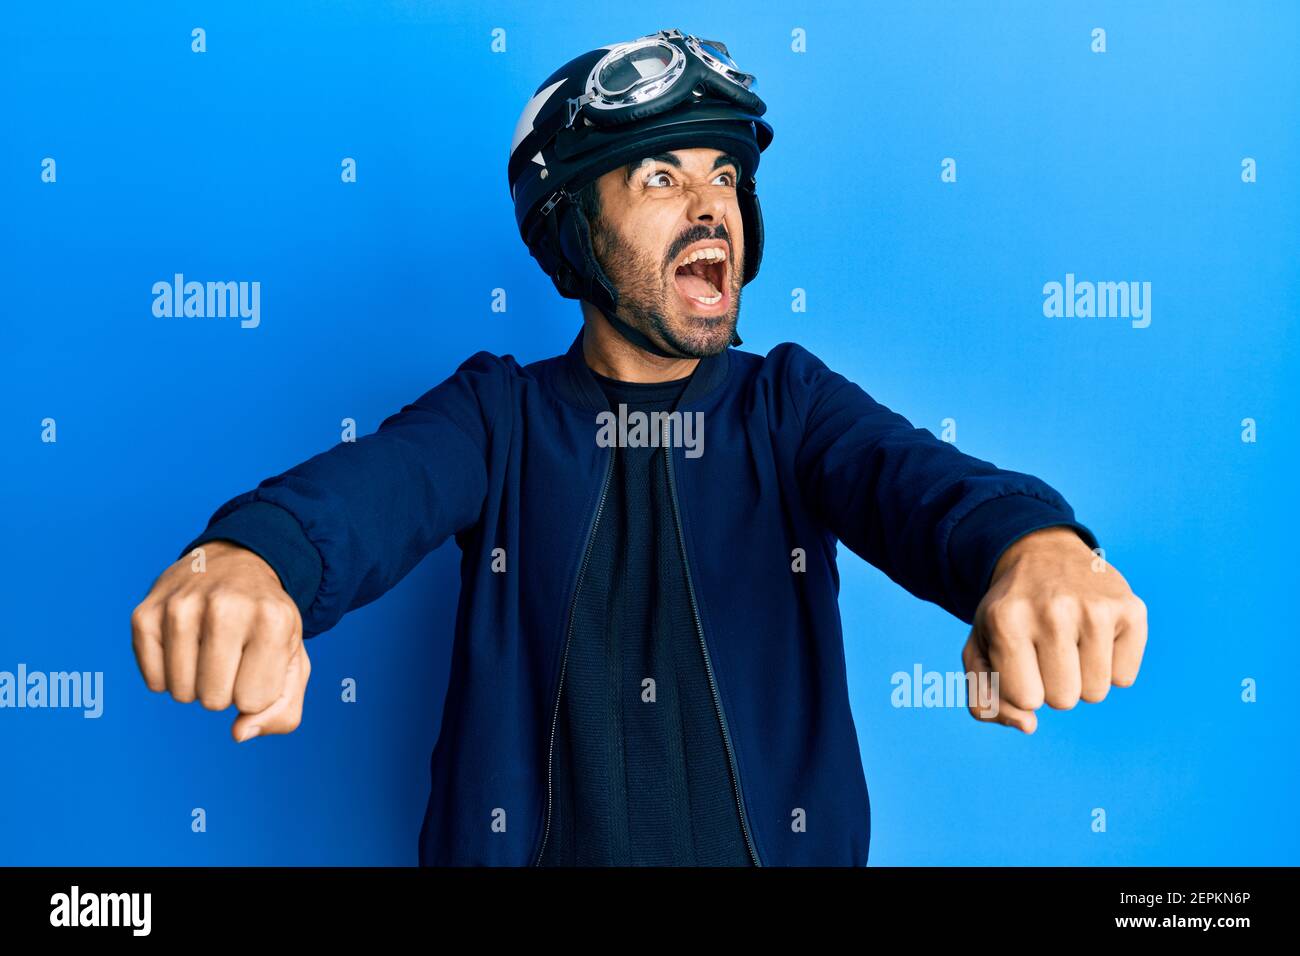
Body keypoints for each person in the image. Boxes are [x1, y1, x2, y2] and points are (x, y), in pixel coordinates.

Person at [130, 29, 1148, 866]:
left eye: (722, 176)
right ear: (572, 231)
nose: (710, 202)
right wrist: (255, 560)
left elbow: (921, 485)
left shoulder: (790, 403)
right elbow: (364, 496)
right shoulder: (498, 416)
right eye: (659, 176)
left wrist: (1036, 548)